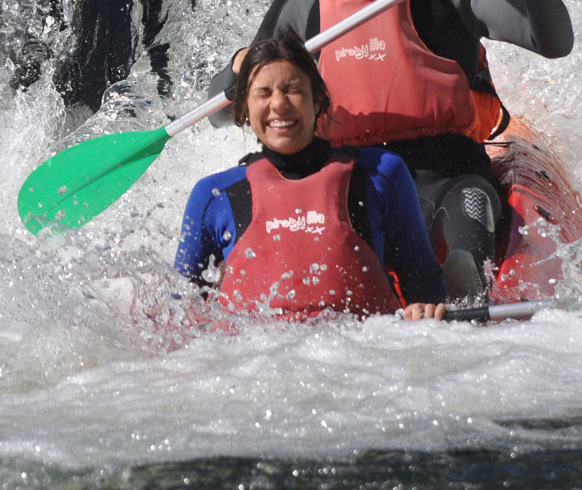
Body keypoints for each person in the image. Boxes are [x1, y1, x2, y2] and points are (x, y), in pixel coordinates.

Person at [214, 0, 573, 299]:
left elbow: (553, 44)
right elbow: (222, 112)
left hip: (446, 172)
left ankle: (466, 289)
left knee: (470, 203)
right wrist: (238, 66)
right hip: (348, 183)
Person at [176, 35, 448, 321]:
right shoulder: (214, 195)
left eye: (292, 90)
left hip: (364, 354)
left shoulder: (380, 174)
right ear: (244, 108)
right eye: (264, 92)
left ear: (317, 101)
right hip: (253, 359)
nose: (279, 104)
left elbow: (424, 285)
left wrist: (426, 310)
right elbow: (179, 316)